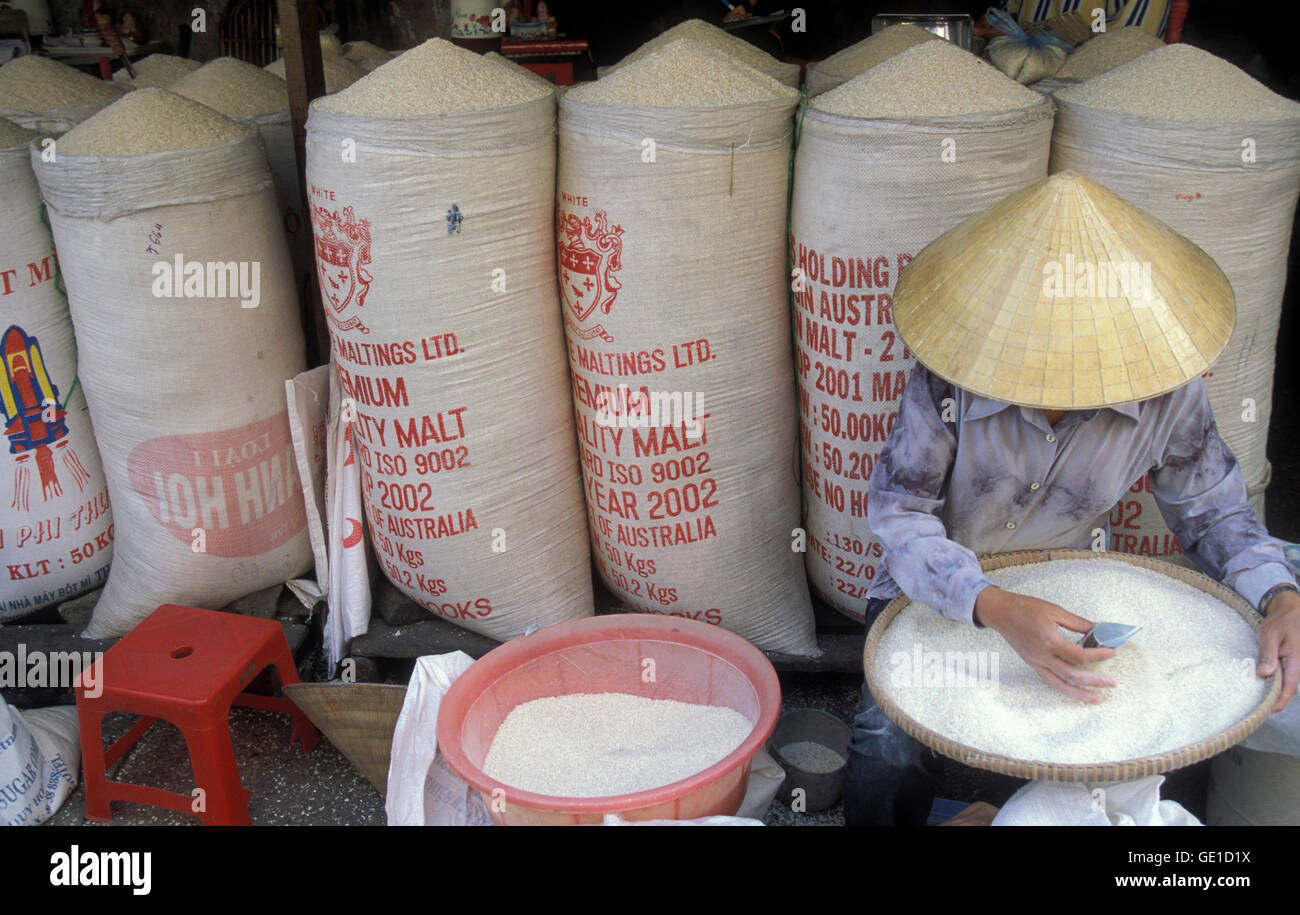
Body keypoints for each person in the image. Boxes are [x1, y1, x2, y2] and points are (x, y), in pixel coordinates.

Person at [842, 171, 1300, 826]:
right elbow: (899, 513)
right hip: (936, 586)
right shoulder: (952, 377)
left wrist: (1281, 597)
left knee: (1109, 741)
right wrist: (992, 605)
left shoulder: (1166, 393)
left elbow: (1215, 510)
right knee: (887, 749)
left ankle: (990, 813)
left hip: (1072, 579)